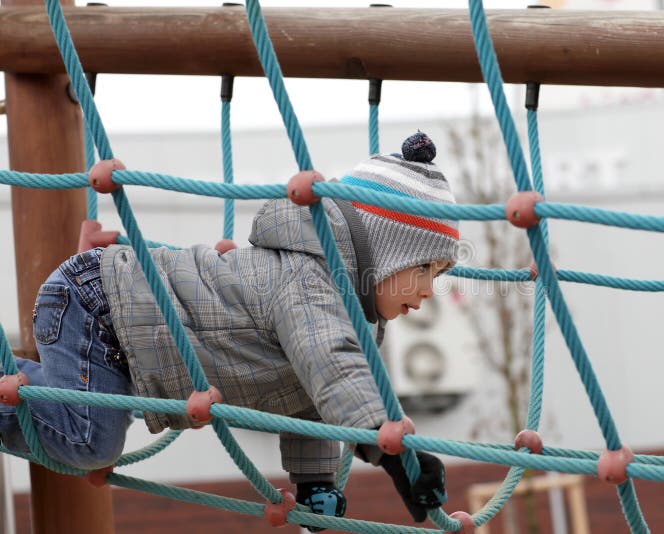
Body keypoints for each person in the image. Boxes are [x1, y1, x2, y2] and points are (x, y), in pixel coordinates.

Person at [0, 132, 457, 527]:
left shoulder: (353, 319)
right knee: (88, 441)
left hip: (115, 330)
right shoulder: (307, 281)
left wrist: (314, 481)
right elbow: (332, 367)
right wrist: (393, 455)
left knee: (90, 433)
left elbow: (311, 399)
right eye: (424, 269)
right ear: (382, 251)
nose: (429, 291)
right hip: (94, 304)